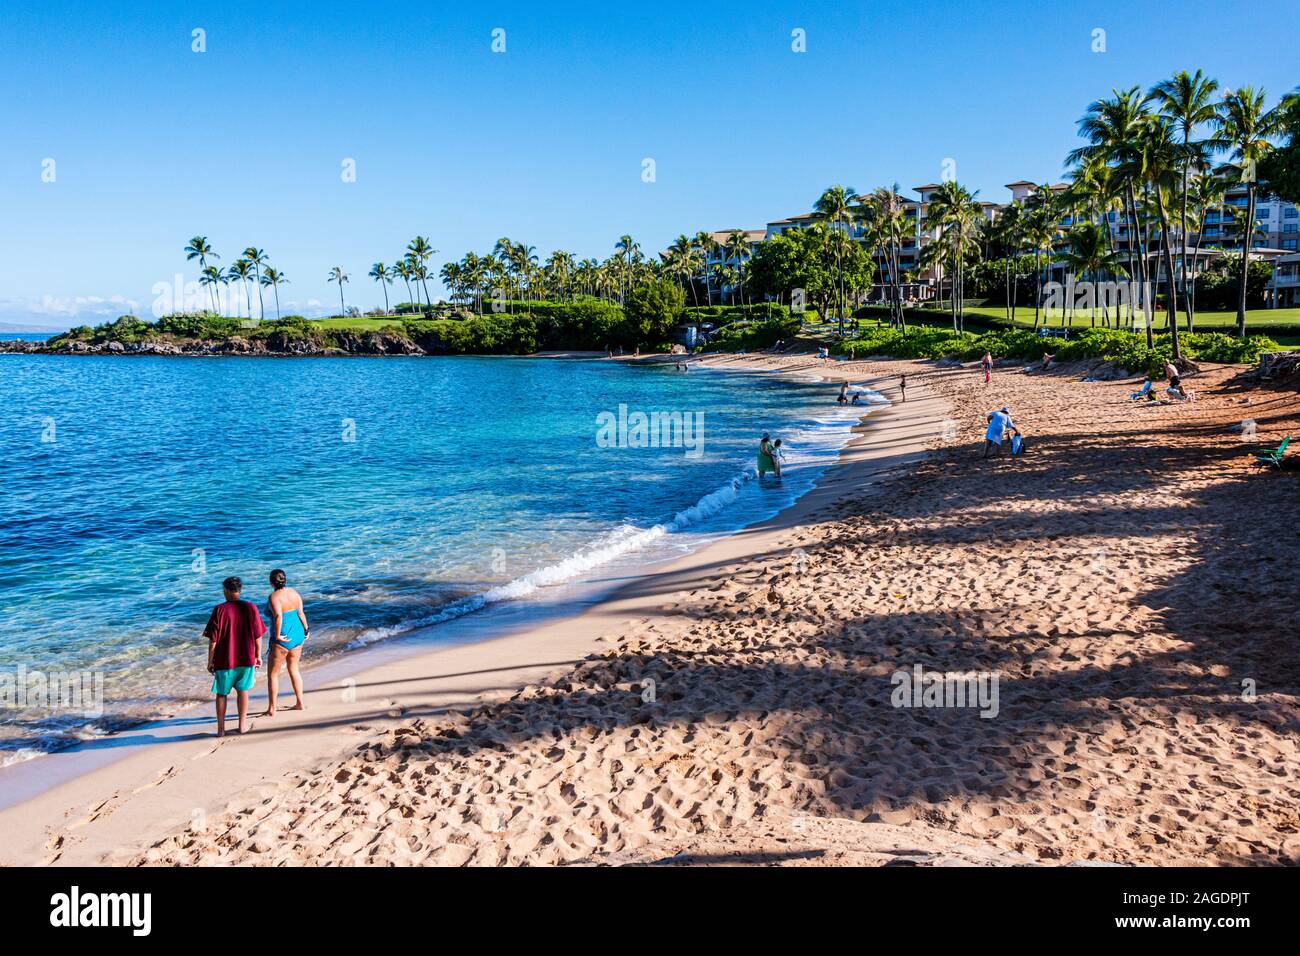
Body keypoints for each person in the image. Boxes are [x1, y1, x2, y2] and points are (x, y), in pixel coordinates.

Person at [205, 576, 265, 737]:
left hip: (225, 660)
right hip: (246, 658)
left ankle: (221, 729)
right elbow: (258, 635)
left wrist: (210, 660)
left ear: (226, 590)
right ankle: (242, 725)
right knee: (243, 691)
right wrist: (258, 655)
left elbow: (213, 640)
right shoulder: (251, 607)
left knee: (222, 694)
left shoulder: (220, 609)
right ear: (239, 590)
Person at [263, 569, 310, 717]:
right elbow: (301, 613)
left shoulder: (273, 597)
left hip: (283, 637)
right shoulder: (294, 593)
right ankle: (300, 703)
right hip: (298, 634)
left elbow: (278, 616)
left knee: (273, 674)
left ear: (271, 582)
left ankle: (272, 709)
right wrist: (306, 630)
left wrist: (277, 635)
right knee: (294, 669)